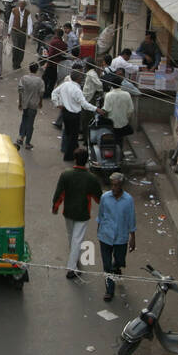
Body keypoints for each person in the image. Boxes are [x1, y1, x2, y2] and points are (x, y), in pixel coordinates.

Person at [52, 148, 103, 280]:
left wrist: (55, 206)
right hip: (82, 213)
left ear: (75, 159)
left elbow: (59, 193)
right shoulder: (91, 178)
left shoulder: (66, 175)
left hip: (68, 211)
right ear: (86, 160)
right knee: (77, 239)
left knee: (72, 236)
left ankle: (73, 259)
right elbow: (98, 198)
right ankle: (71, 267)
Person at [97, 173, 136, 302]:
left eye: (117, 185)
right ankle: (109, 290)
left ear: (121, 186)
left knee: (119, 261)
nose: (114, 188)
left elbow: (131, 219)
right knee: (107, 266)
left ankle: (117, 267)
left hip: (121, 237)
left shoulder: (128, 200)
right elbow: (101, 215)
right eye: (112, 185)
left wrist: (132, 237)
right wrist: (99, 231)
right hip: (105, 236)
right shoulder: (105, 198)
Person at [51, 64, 104, 161]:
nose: (82, 78)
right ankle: (69, 157)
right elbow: (84, 104)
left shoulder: (65, 84)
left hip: (65, 113)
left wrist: (57, 103)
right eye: (81, 77)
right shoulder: (77, 90)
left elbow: (54, 93)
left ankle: (74, 152)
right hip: (74, 115)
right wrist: (96, 109)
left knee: (69, 134)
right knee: (73, 136)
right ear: (78, 78)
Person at [15, 62, 45, 150]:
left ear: (29, 68)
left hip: (25, 104)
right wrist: (40, 103)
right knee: (30, 124)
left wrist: (20, 103)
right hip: (33, 105)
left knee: (24, 120)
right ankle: (27, 142)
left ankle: (21, 138)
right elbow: (41, 93)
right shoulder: (40, 81)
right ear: (36, 70)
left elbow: (20, 91)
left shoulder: (24, 78)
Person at [102, 73, 135, 142]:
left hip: (112, 124)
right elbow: (131, 109)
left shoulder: (108, 95)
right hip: (123, 123)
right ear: (121, 84)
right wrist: (125, 117)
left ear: (111, 85)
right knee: (120, 140)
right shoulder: (127, 94)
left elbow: (106, 110)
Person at [42, 28, 68, 101]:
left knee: (45, 78)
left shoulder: (53, 42)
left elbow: (50, 54)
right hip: (58, 65)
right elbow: (64, 56)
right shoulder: (64, 44)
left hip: (51, 64)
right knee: (53, 80)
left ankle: (44, 93)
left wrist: (47, 62)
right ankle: (49, 93)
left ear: (56, 34)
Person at [8, 0, 32, 71]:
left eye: (23, 5)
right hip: (15, 32)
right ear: (19, 4)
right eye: (21, 4)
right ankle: (14, 62)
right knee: (16, 47)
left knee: (21, 48)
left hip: (23, 33)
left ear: (25, 5)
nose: (22, 6)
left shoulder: (28, 13)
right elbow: (11, 21)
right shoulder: (14, 10)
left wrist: (29, 33)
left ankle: (18, 63)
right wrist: (9, 32)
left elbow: (30, 23)